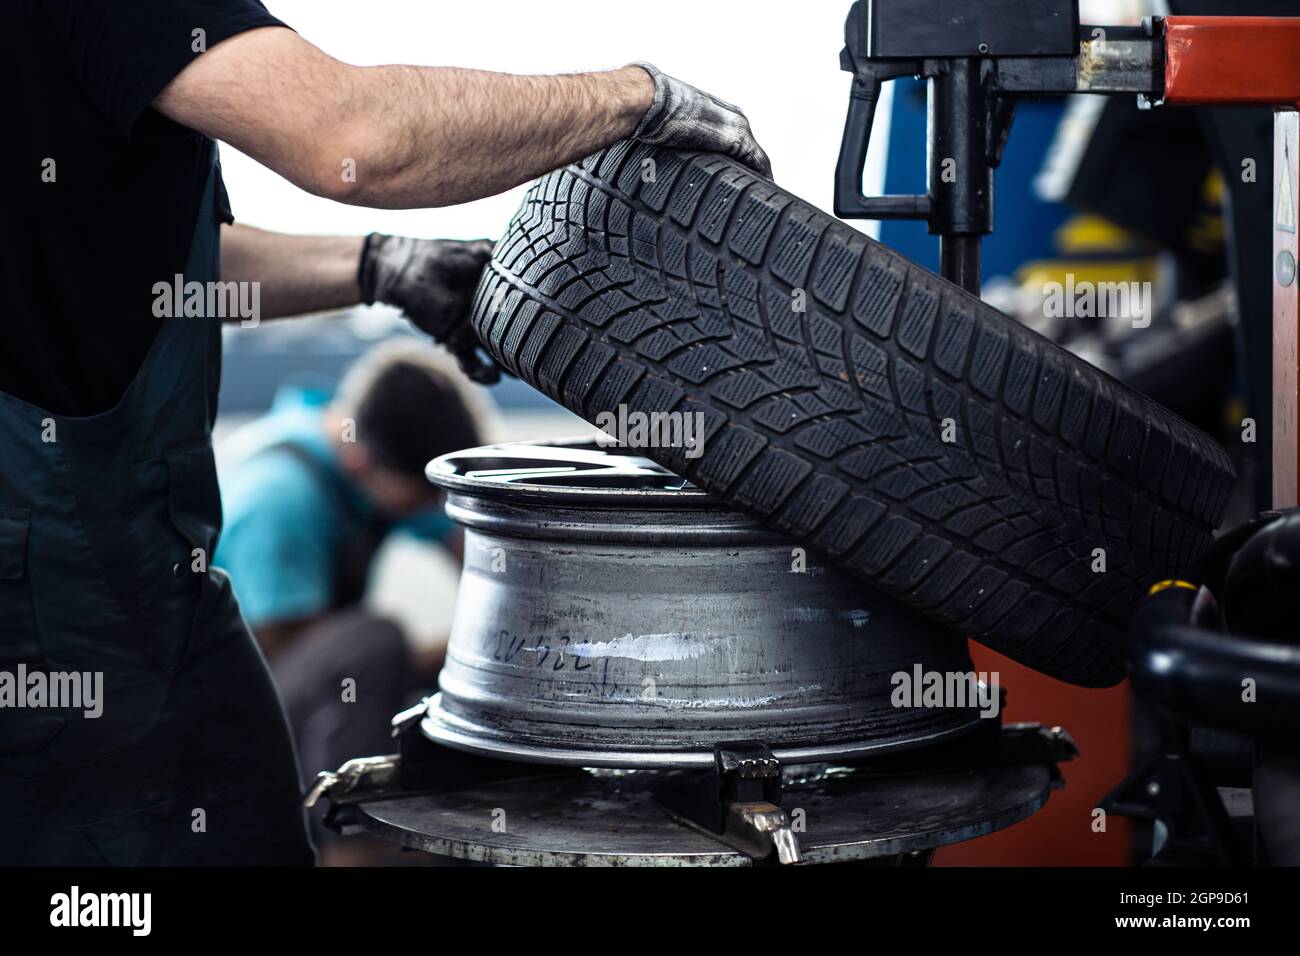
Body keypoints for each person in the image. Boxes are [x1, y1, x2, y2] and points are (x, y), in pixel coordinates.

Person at [1, 0, 769, 865]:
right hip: (51, 591)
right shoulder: (286, 494)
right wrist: (639, 99)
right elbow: (346, 136)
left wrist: (379, 264)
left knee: (240, 819)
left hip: (140, 573)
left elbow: (177, 268)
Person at [214, 343, 485, 864]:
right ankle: (352, 853)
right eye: (420, 498)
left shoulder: (364, 451)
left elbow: (469, 550)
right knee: (373, 642)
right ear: (362, 461)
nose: (429, 511)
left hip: (308, 687)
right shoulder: (279, 498)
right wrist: (444, 659)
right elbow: (279, 660)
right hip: (240, 717)